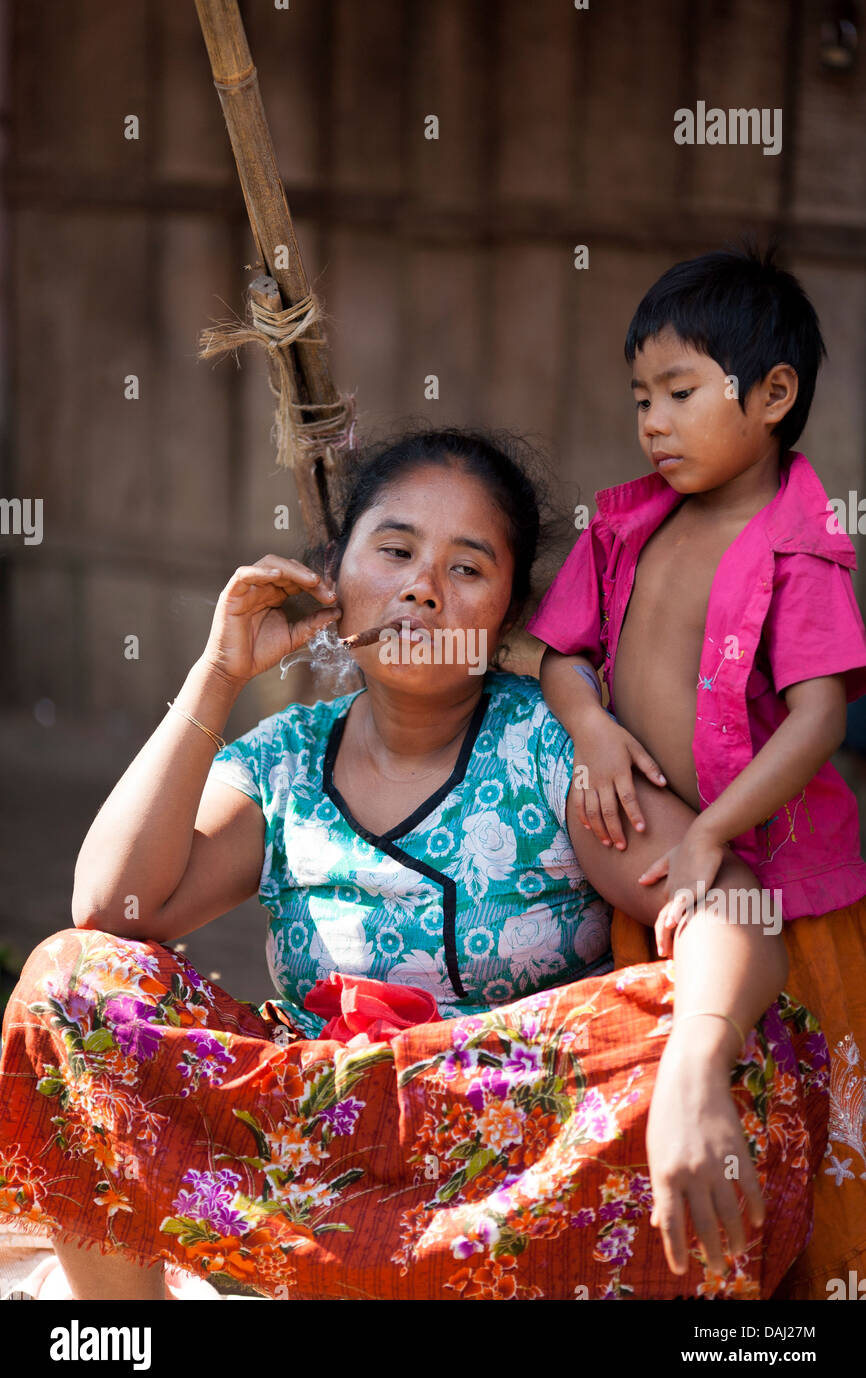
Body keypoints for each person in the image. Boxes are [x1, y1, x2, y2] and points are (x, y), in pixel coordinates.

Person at [0, 431, 826, 1301]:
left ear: (508, 618)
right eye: (394, 551)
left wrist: (696, 1061)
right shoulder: (284, 761)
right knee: (70, 984)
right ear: (334, 572)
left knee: (728, 1042)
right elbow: (111, 906)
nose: (423, 587)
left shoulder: (551, 748)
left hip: (512, 1168)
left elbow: (726, 902)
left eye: (468, 569)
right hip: (313, 1155)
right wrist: (218, 672)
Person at [527, 246, 866, 1298]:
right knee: (671, 1121)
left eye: (679, 393)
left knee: (808, 1134)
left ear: (771, 395)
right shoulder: (628, 524)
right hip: (668, 876)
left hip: (780, 892)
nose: (652, 424)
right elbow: (558, 655)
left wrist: (716, 826)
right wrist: (585, 724)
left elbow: (817, 718)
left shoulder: (795, 552)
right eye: (640, 399)